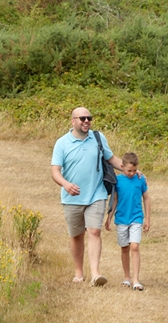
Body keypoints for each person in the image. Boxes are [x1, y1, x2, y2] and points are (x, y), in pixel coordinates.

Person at [50, 107, 124, 287]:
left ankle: (95, 274)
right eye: (82, 118)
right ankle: (79, 272)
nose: (86, 121)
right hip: (72, 197)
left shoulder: (98, 138)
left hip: (97, 193)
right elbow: (55, 171)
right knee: (77, 235)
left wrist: (132, 170)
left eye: (89, 118)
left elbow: (112, 159)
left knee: (94, 231)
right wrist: (66, 184)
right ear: (73, 121)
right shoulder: (62, 143)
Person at [104, 152, 151, 291]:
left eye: (134, 170)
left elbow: (146, 198)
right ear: (122, 166)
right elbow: (115, 200)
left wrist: (147, 218)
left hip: (136, 217)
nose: (132, 173)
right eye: (129, 170)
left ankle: (136, 279)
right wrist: (109, 216)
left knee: (134, 247)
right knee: (124, 248)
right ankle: (127, 277)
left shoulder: (140, 180)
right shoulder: (118, 181)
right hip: (121, 219)